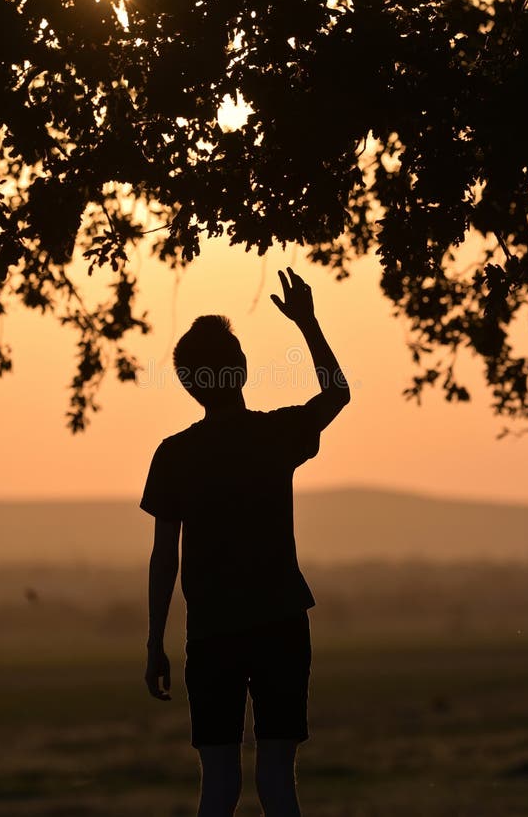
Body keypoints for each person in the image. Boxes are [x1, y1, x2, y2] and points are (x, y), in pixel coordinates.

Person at [140, 267, 350, 817]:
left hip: (211, 634)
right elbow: (337, 392)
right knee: (279, 781)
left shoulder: (174, 455)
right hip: (281, 621)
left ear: (189, 382)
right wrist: (308, 323)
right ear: (242, 370)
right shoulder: (275, 436)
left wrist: (154, 641)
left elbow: (165, 560)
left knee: (219, 784)